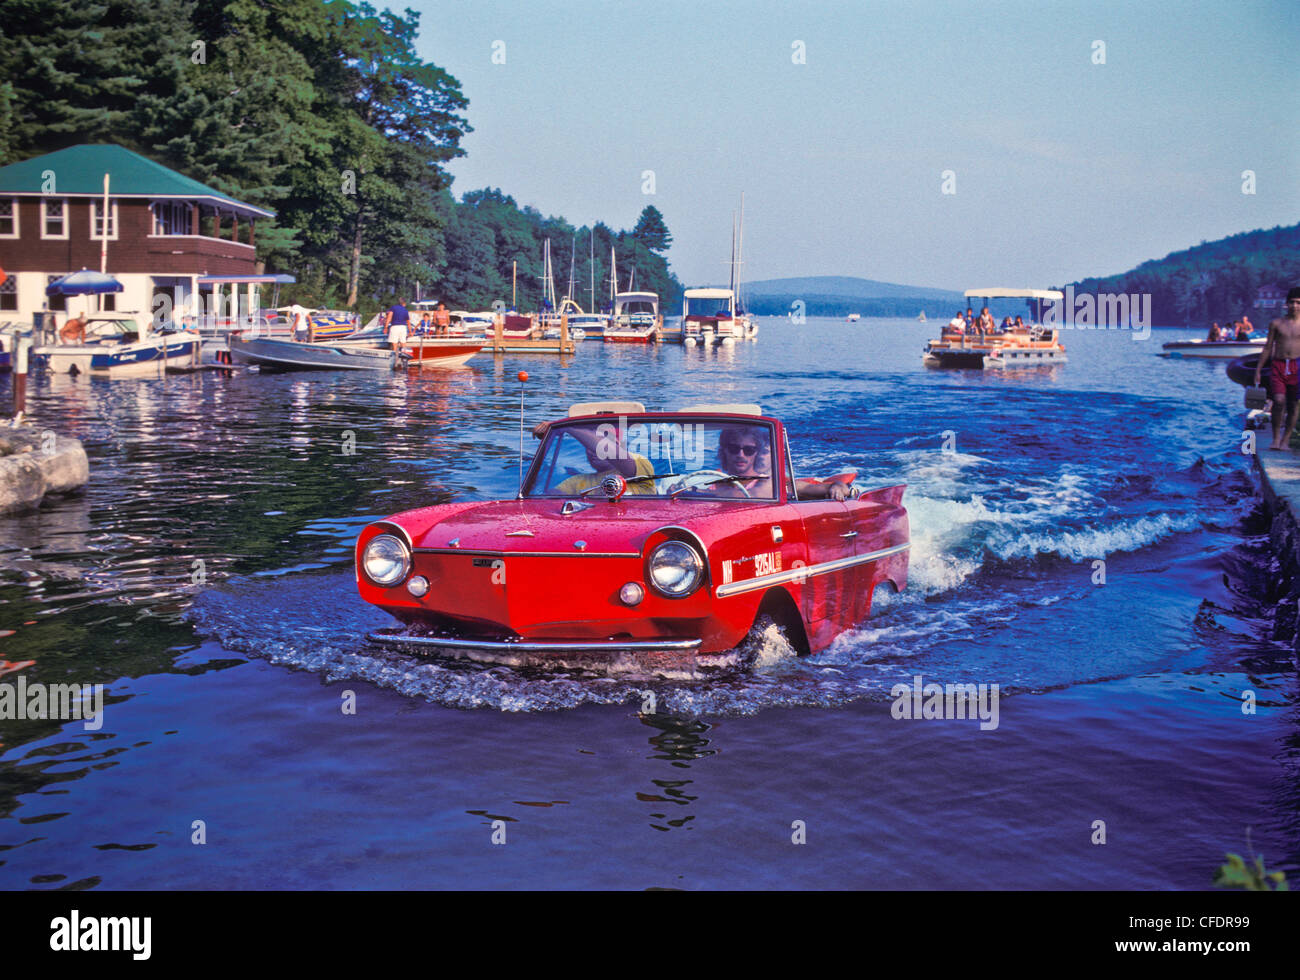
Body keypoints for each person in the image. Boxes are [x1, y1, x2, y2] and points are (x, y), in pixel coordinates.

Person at [531, 420, 656, 495]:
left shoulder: (640, 464)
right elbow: (547, 500)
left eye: (598, 440)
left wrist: (565, 425)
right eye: (587, 444)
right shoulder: (576, 482)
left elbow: (604, 448)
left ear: (617, 444)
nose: (592, 450)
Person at [1254, 287, 1300, 451]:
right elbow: (1267, 347)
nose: (1295, 306)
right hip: (1278, 364)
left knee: (1294, 404)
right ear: (1286, 304)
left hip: (1297, 365)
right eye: (1292, 302)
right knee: (1279, 401)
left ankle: (1285, 440)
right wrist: (1258, 369)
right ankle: (1275, 438)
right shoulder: (1276, 323)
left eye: (1298, 303)